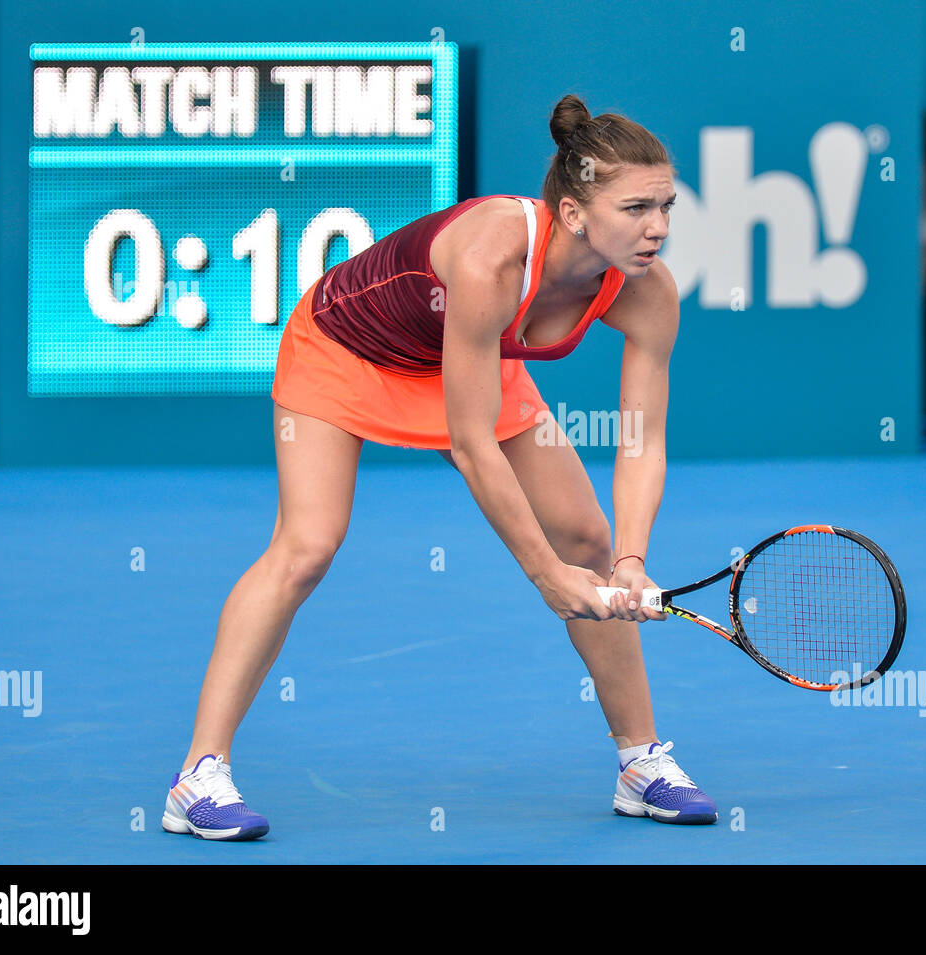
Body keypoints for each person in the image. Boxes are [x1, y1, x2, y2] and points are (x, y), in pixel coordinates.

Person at [161, 94, 716, 841]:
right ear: (576, 214)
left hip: (468, 357)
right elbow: (471, 443)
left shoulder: (649, 292)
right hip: (346, 349)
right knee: (308, 546)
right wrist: (547, 578)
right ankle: (198, 775)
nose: (659, 228)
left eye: (667, 205)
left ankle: (640, 762)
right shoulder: (492, 257)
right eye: (638, 207)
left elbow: (642, 439)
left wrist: (629, 558)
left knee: (586, 533)